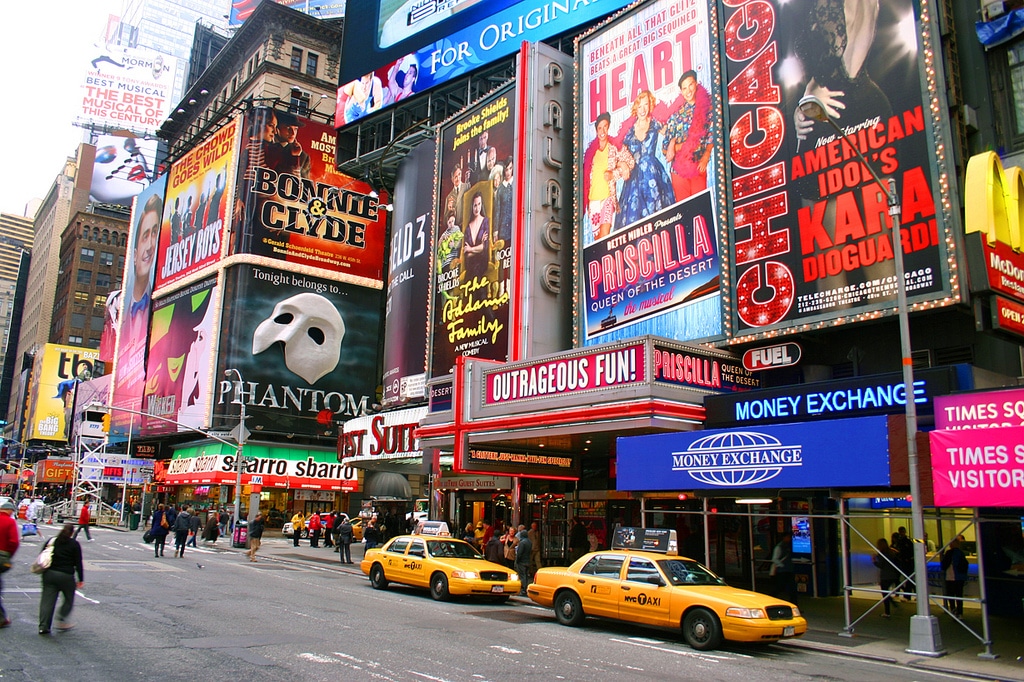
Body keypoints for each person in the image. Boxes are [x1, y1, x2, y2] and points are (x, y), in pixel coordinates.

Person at [614, 90, 674, 232]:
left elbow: (672, 131)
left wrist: (671, 145)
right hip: (634, 180)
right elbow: (616, 155)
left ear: (650, 105)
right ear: (635, 107)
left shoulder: (655, 124)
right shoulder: (628, 131)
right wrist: (622, 164)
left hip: (654, 175)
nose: (643, 109)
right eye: (640, 106)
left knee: (659, 219)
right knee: (633, 222)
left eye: (646, 104)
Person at [661, 70, 713, 203]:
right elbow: (665, 149)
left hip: (698, 165)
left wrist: (706, 155)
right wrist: (675, 145)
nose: (688, 90)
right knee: (684, 211)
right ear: (681, 91)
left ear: (696, 84)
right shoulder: (676, 114)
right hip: (678, 170)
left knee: (700, 208)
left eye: (690, 85)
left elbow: (712, 133)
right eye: (684, 88)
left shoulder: (707, 106)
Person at [583, 112, 623, 242]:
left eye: (605, 126)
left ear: (609, 126)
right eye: (600, 128)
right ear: (596, 130)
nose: (602, 131)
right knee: (598, 240)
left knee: (605, 235)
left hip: (607, 197)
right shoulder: (590, 153)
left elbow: (629, 163)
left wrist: (614, 174)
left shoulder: (614, 147)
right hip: (593, 201)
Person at [37, 524, 83, 635]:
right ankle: (61, 617)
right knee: (68, 599)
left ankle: (43, 626)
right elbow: (78, 563)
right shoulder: (74, 544)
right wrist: (81, 579)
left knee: (47, 601)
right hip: (66, 576)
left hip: (49, 574)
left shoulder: (52, 541)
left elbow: (42, 554)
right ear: (72, 533)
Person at [461, 192, 491, 282]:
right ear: (472, 207)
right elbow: (467, 254)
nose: (477, 208)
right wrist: (478, 249)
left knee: (476, 273)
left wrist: (471, 249)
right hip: (470, 265)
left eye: (479, 204)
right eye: (475, 205)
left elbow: (484, 247)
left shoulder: (485, 222)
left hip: (482, 262)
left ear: (482, 205)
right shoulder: (468, 228)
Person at [0, 499, 20, 628]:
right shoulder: (10, 522)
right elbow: (14, 542)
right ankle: (1, 617)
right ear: (9, 510)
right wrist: (8, 556)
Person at [274, 111, 312, 178]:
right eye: (288, 128)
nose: (293, 133)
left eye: (295, 129)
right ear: (277, 128)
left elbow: (304, 183)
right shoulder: (265, 145)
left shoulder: (303, 156)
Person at [941, 536, 969, 617]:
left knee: (951, 595)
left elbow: (944, 565)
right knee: (959, 595)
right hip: (960, 577)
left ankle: (953, 610)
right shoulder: (962, 553)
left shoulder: (949, 553)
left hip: (950, 577)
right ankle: (960, 612)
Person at [872, 538, 900, 617]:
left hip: (885, 576)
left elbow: (881, 565)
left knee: (885, 593)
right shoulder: (891, 552)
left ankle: (887, 612)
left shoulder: (882, 554)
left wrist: (874, 561)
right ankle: (893, 603)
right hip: (893, 574)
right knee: (887, 592)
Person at [770, 532, 797, 604]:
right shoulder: (779, 547)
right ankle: (771, 597)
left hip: (787, 570)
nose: (790, 539)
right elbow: (774, 559)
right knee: (780, 587)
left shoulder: (787, 546)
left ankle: (794, 603)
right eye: (788, 537)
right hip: (782, 571)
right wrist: (782, 565)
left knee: (791, 587)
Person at [892, 526, 915, 600]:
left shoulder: (907, 541)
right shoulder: (901, 542)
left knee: (908, 579)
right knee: (907, 579)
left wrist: (908, 558)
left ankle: (907, 595)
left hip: (907, 561)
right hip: (903, 561)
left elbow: (910, 551)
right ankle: (907, 594)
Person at [515, 528, 533, 594]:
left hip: (522, 561)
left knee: (522, 575)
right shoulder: (529, 542)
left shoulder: (522, 543)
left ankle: (523, 588)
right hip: (527, 560)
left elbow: (519, 553)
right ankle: (525, 588)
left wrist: (517, 560)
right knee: (525, 575)